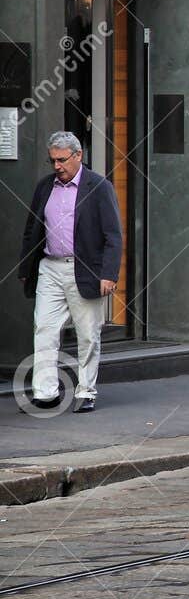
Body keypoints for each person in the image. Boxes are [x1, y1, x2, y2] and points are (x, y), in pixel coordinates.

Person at [17, 131, 122, 413]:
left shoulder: (99, 186)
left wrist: (109, 274)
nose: (57, 166)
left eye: (62, 160)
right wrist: (26, 267)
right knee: (45, 329)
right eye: (53, 160)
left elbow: (113, 235)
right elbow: (32, 229)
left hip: (84, 269)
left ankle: (86, 391)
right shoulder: (44, 187)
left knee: (88, 334)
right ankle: (46, 392)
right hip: (49, 267)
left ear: (78, 156)